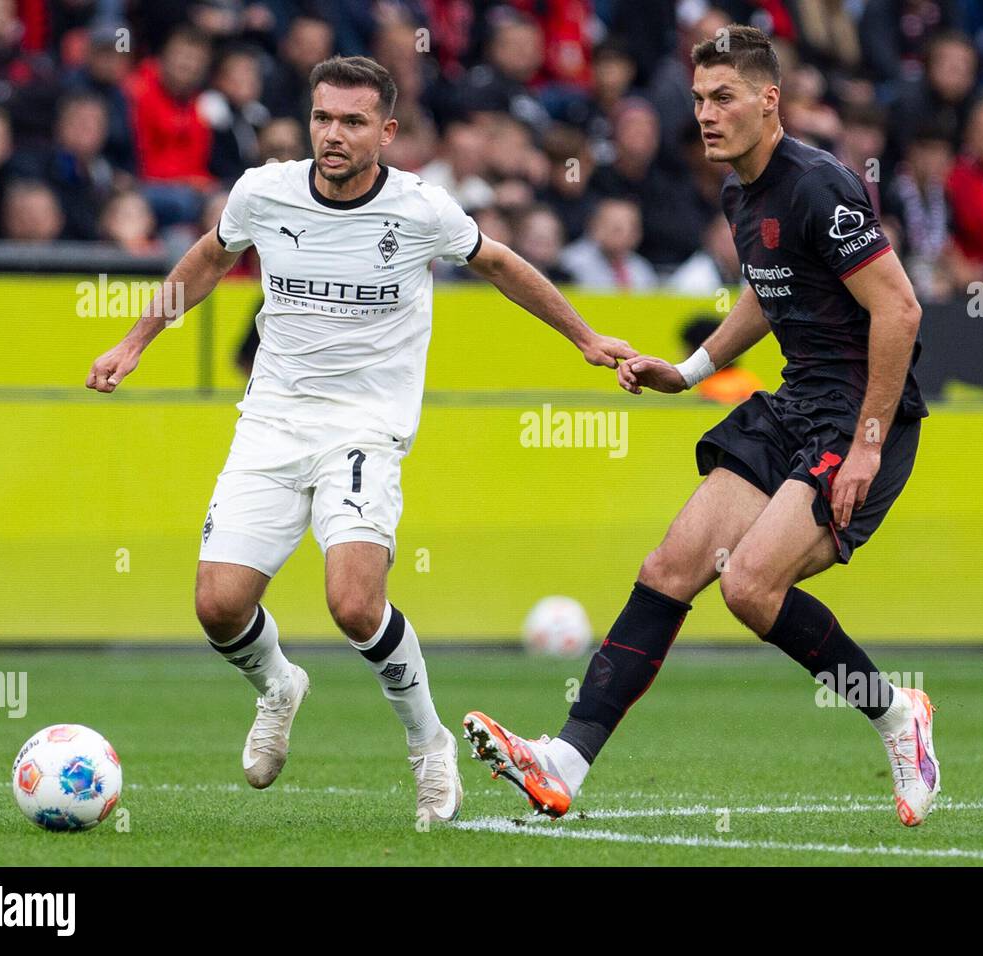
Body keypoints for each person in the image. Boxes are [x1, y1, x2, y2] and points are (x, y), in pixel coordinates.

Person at [85, 55, 635, 824]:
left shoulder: (420, 210)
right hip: (272, 422)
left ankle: (429, 744)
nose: (332, 135)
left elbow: (502, 265)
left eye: (350, 122)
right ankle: (279, 684)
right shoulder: (263, 192)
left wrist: (583, 337)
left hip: (365, 431)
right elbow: (209, 257)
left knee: (352, 603)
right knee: (217, 606)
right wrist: (135, 342)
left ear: (386, 130)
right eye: (321, 118)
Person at [462, 26, 940, 828]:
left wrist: (863, 444)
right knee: (672, 564)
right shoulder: (738, 191)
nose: (706, 114)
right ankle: (564, 762)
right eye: (697, 99)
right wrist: (687, 371)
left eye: (723, 97)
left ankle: (897, 716)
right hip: (794, 404)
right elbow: (770, 286)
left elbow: (899, 307)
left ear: (769, 100)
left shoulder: (819, 184)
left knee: (751, 588)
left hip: (862, 420)